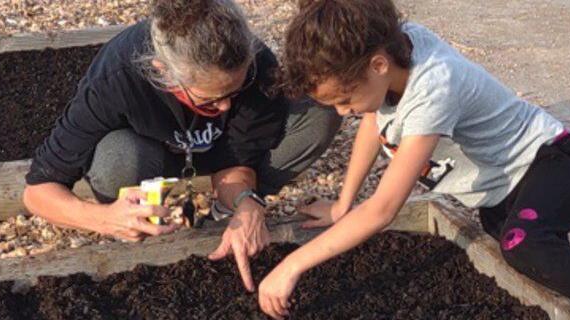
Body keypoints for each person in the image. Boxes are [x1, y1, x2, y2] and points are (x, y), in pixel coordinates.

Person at [258, 0, 570, 320]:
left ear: (378, 65)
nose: (342, 112)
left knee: (523, 246)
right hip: (505, 191)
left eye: (343, 99)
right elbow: (374, 122)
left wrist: (293, 264)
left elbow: (384, 209)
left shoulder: (433, 87)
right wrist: (342, 205)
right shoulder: (390, 59)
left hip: (555, 165)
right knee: (520, 248)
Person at [23, 0, 341, 291]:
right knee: (116, 158)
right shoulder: (117, 77)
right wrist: (103, 217)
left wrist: (245, 200)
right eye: (212, 99)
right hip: (151, 155)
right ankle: (135, 215)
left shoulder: (256, 66)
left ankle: (223, 211)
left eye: (236, 90)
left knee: (317, 115)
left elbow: (236, 160)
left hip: (217, 151)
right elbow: (38, 190)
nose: (227, 107)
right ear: (164, 73)